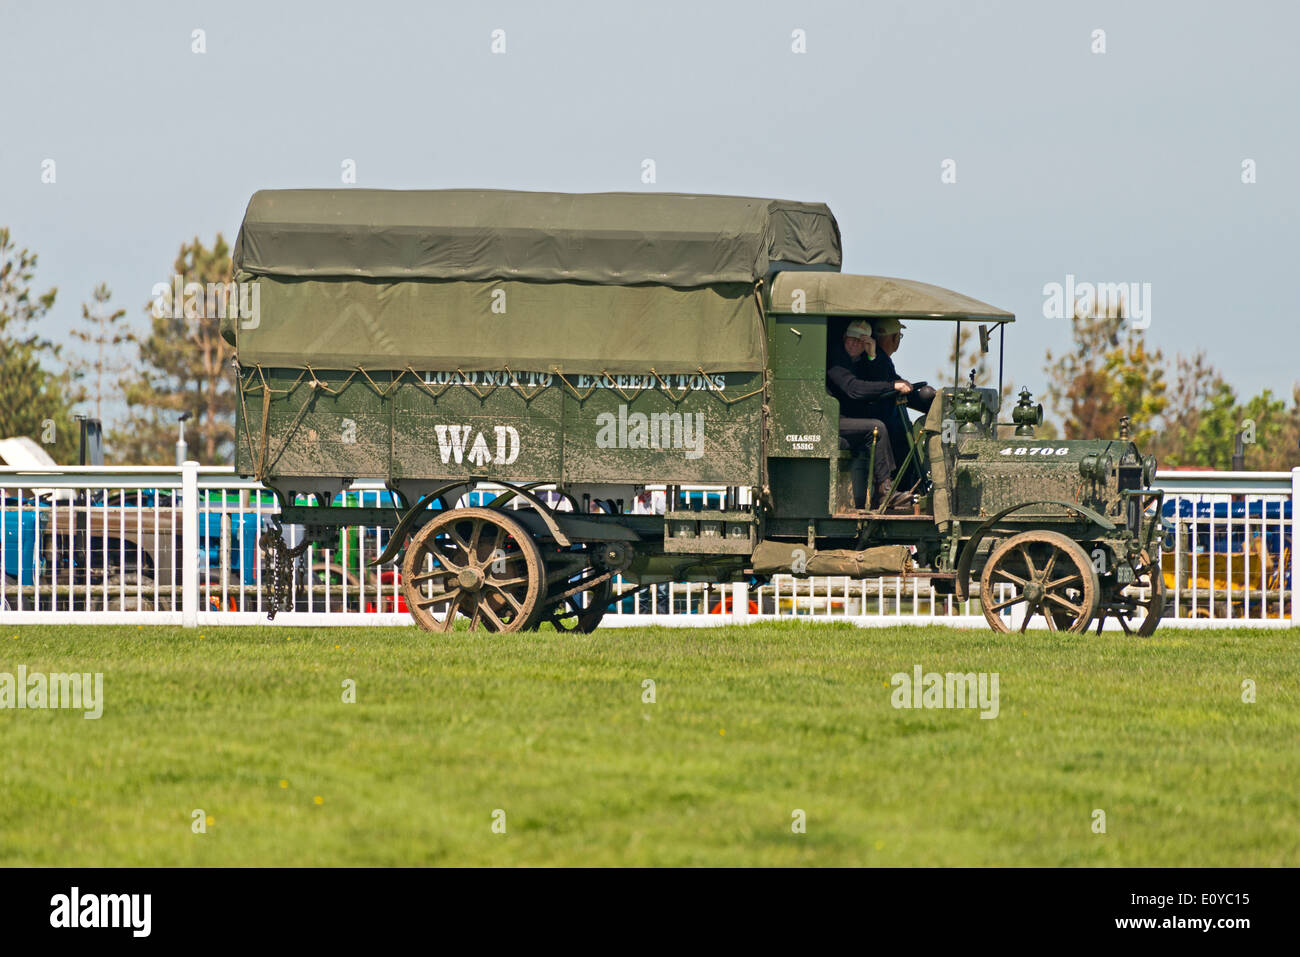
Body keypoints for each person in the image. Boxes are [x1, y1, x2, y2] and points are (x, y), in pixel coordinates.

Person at [826, 320, 910, 510]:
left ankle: (901, 487)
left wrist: (873, 356)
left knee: (891, 427)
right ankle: (884, 492)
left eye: (860, 340)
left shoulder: (864, 360)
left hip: (849, 421)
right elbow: (854, 389)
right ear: (843, 338)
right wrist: (892, 386)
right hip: (831, 421)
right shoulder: (836, 359)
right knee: (877, 428)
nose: (854, 344)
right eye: (851, 339)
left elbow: (880, 380)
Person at [867, 317, 937, 493]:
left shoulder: (879, 360)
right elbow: (892, 387)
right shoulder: (878, 361)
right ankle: (907, 490)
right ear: (894, 338)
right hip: (885, 423)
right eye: (899, 336)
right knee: (906, 444)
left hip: (883, 419)